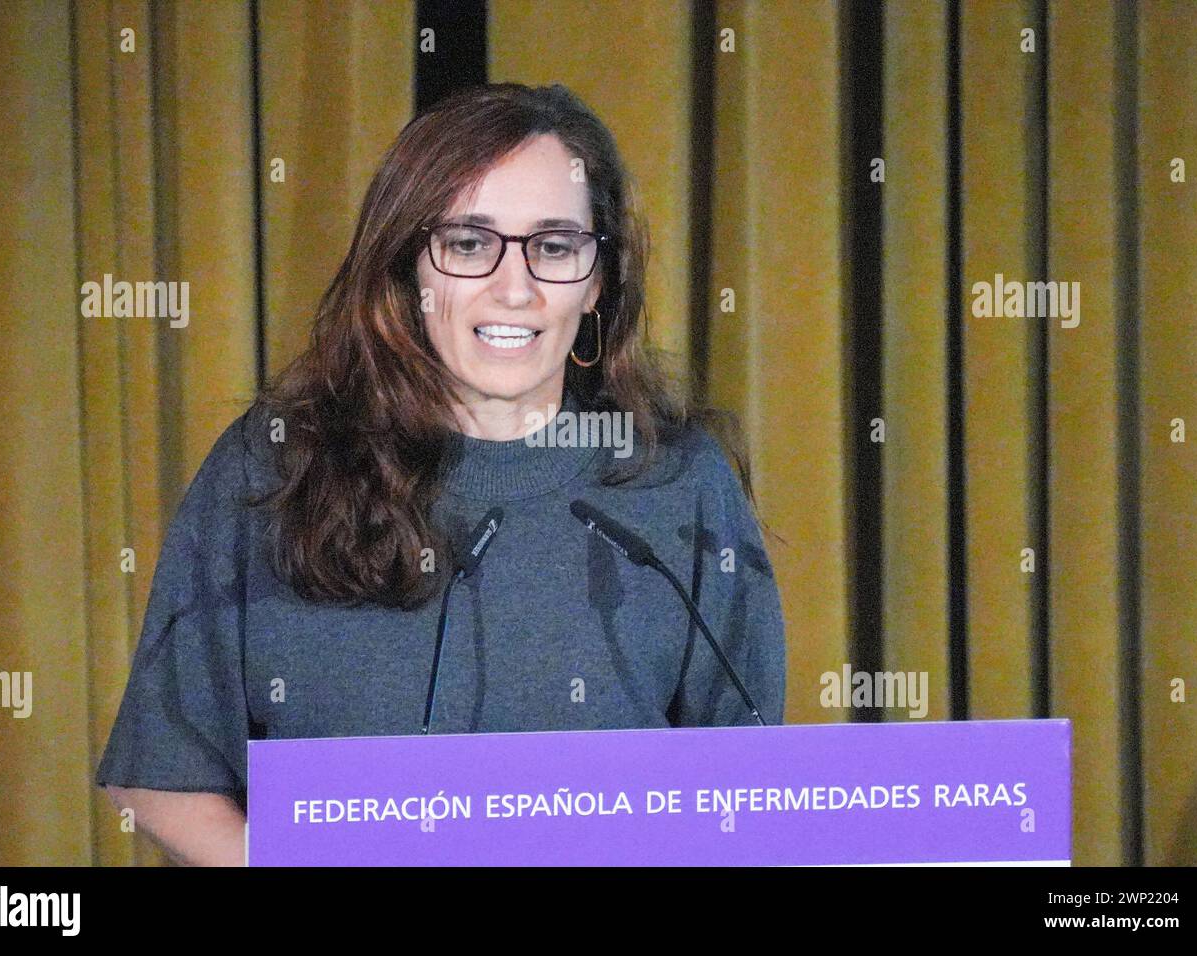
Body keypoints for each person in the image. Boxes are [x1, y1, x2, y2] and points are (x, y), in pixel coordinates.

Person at [95, 82, 787, 866]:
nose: (515, 287)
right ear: (407, 267)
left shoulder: (680, 484)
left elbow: (748, 797)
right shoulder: (274, 464)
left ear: (597, 280)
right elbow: (161, 769)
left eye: (554, 246)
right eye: (469, 243)